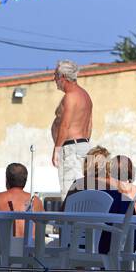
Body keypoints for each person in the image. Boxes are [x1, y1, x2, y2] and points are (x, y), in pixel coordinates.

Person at [51, 59, 93, 193]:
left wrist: (56, 150)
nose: (54, 79)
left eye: (55, 75)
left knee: (68, 193)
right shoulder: (85, 95)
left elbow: (65, 125)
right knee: (82, 191)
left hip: (71, 148)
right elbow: (90, 124)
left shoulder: (71, 96)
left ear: (63, 77)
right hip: (83, 145)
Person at [0, 162, 44, 246]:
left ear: (7, 180)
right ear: (25, 181)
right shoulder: (36, 201)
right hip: (30, 253)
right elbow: (41, 230)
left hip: (4, 253)